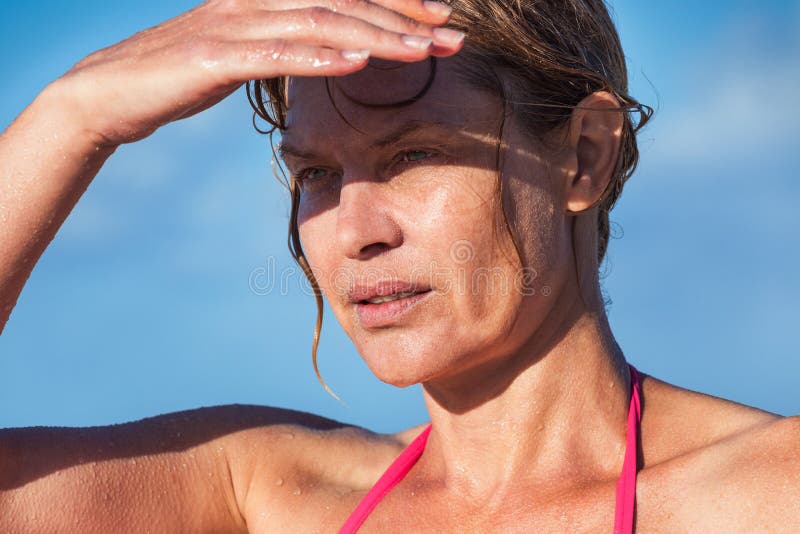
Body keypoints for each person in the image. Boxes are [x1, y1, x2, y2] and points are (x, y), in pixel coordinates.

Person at [0, 0, 797, 532]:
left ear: (584, 157)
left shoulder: (766, 493)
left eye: (414, 154)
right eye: (316, 173)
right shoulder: (268, 496)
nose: (355, 230)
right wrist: (75, 114)